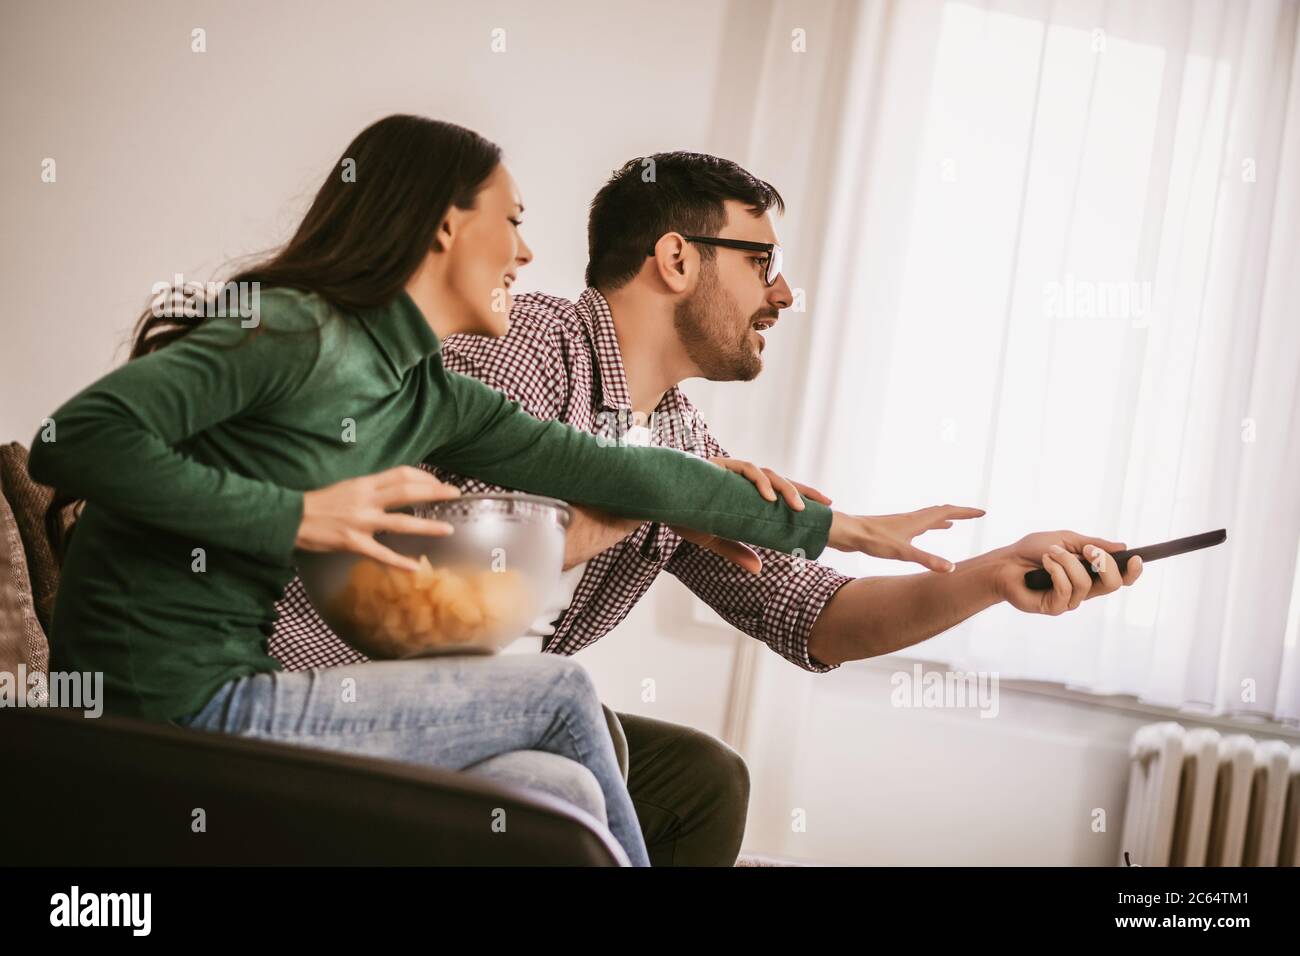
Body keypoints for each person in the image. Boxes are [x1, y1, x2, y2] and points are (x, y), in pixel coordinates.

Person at [28, 118, 940, 866]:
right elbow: (71, 443)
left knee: (562, 794)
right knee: (556, 694)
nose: (529, 248)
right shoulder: (293, 332)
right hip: (164, 721)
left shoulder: (424, 388)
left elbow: (625, 472)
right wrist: (299, 515)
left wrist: (832, 526)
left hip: (243, 697)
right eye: (512, 218)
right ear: (442, 225)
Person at [271, 150, 1145, 866]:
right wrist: (643, 509)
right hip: (358, 689)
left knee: (702, 779)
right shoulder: (527, 350)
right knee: (582, 749)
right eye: (760, 261)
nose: (785, 293)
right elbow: (427, 582)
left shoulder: (683, 440)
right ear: (677, 258)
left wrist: (989, 579)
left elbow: (810, 615)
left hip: (495, 696)